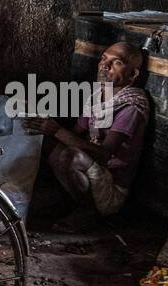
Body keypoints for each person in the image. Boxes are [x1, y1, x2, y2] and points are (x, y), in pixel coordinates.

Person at [25, 41, 150, 232]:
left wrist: (56, 130)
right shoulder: (99, 95)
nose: (104, 65)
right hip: (91, 172)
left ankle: (88, 212)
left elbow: (104, 155)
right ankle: (63, 199)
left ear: (132, 74)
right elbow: (75, 134)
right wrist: (43, 127)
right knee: (44, 141)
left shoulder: (132, 107)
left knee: (71, 155)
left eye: (116, 63)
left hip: (110, 188)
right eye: (104, 58)